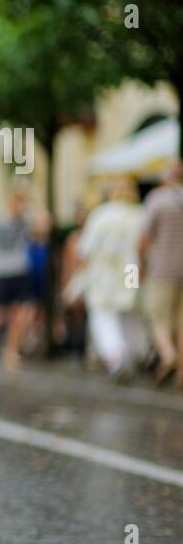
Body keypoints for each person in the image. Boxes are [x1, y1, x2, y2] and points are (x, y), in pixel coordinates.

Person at [78, 177, 145, 381]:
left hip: (104, 272)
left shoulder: (101, 214)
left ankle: (115, 357)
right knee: (131, 311)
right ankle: (135, 355)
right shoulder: (139, 214)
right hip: (131, 270)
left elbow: (84, 249)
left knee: (103, 313)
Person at [140, 159, 183, 388]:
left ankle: (168, 356)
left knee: (158, 318)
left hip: (162, 269)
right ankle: (181, 375)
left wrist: (136, 272)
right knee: (181, 322)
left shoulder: (157, 199)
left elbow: (143, 240)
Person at [0, 188, 35, 371]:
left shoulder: (25, 222)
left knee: (17, 313)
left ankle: (11, 350)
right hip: (1, 270)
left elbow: (43, 225)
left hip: (19, 270)